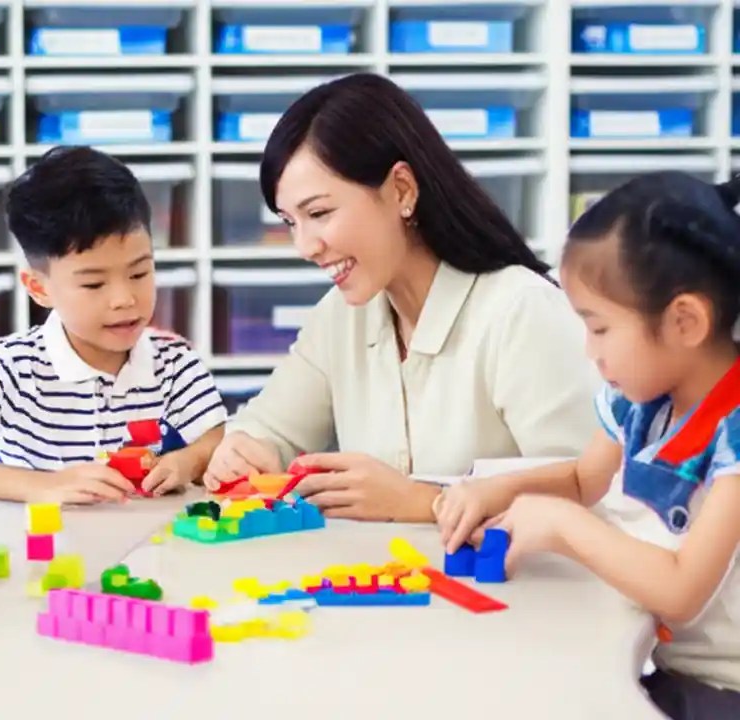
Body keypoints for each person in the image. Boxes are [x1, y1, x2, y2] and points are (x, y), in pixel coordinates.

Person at [203, 72, 599, 522]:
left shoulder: (519, 310)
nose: (305, 246)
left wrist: (424, 502)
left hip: (521, 588)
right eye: (290, 221)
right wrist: (244, 449)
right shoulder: (342, 316)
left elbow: (588, 490)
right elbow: (270, 427)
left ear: (402, 190)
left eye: (319, 213)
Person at [437, 171, 740, 719]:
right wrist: (496, 491)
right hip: (670, 672)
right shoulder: (643, 401)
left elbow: (682, 591)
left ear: (685, 321)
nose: (589, 351)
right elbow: (583, 480)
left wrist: (560, 525)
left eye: (599, 329)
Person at [0, 146, 227, 503]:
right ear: (39, 288)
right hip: (34, 545)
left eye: (139, 272)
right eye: (93, 284)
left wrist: (188, 460)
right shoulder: (13, 365)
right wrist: (42, 486)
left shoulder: (174, 362)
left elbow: (220, 439)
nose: (124, 298)